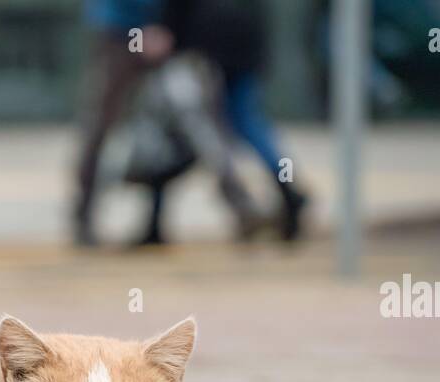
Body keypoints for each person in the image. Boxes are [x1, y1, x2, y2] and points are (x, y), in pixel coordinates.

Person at [161, 0, 309, 241]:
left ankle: (264, 199)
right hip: (243, 40)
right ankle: (286, 189)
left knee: (209, 131)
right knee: (248, 124)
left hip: (211, 47)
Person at [72, 0, 169, 247]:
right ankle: (83, 219)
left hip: (149, 32)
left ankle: (153, 220)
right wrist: (147, 26)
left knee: (161, 127)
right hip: (122, 30)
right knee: (99, 126)